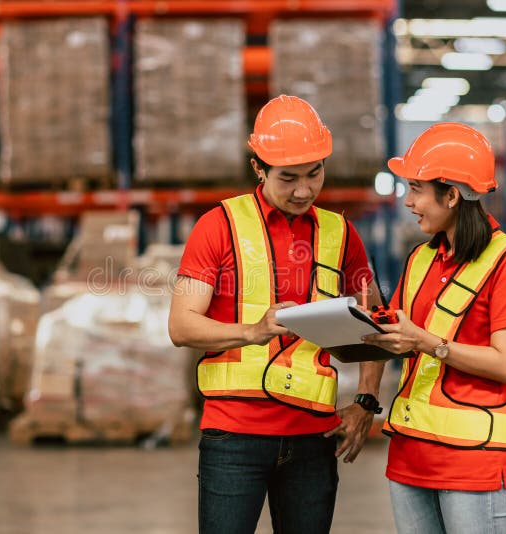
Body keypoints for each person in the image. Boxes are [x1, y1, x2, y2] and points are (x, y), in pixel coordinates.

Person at [168, 94, 386, 534]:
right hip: (234, 437)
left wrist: (365, 400)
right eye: (288, 178)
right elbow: (181, 324)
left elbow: (375, 321)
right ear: (258, 168)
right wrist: (253, 330)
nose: (304, 190)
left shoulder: (340, 233)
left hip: (313, 439)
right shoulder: (219, 225)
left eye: (314, 173)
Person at [361, 122, 506, 534]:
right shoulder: (420, 258)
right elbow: (403, 338)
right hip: (410, 455)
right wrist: (362, 328)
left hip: (473, 461)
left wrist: (426, 342)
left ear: (451, 194)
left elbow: (505, 364)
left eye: (416, 190)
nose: (408, 202)